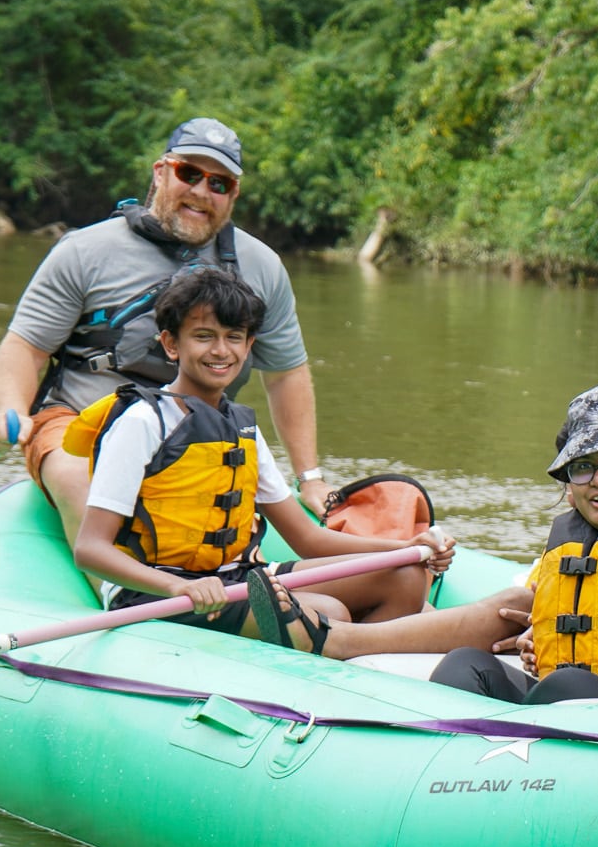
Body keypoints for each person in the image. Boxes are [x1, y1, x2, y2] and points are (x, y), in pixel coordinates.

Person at [253, 382, 598, 705]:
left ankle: (336, 639)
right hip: (570, 696)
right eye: (583, 467)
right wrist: (544, 634)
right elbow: (532, 615)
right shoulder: (570, 549)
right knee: (466, 666)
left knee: (566, 684)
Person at [0, 118, 336, 553]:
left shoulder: (263, 267)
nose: (202, 191)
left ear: (233, 194)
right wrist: (11, 414)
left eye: (219, 183)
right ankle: (120, 593)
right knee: (79, 476)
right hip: (80, 424)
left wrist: (310, 479)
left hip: (202, 431)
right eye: (189, 174)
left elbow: (285, 375)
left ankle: (225, 593)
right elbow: (26, 348)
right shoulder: (84, 251)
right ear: (160, 172)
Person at [66, 267, 450, 642]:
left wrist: (407, 549)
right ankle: (337, 653)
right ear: (171, 344)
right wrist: (175, 586)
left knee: (406, 574)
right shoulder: (144, 422)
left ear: (249, 346)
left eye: (234, 337)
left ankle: (361, 670)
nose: (220, 351)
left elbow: (308, 540)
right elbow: (90, 549)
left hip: (237, 577)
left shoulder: (241, 427)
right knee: (329, 612)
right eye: (203, 336)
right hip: (158, 593)